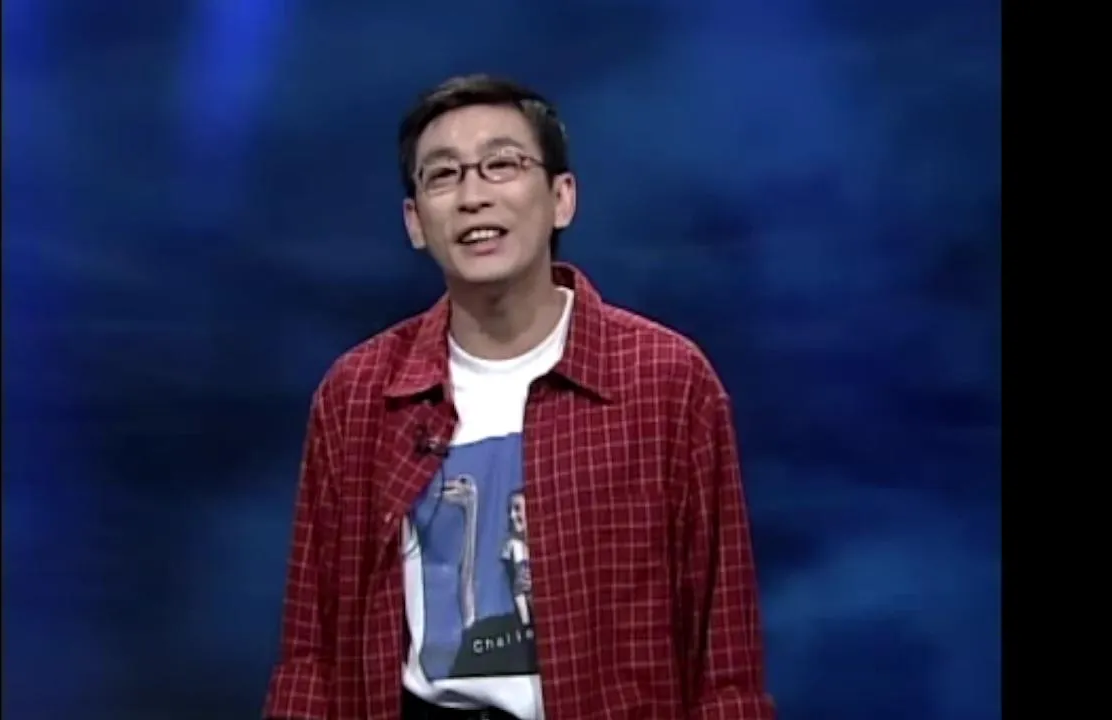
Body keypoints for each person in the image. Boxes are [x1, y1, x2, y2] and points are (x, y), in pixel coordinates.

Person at [262, 74, 776, 720]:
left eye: (501, 165)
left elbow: (724, 653)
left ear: (562, 198)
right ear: (415, 221)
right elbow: (311, 650)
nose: (473, 196)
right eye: (443, 176)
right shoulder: (359, 395)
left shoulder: (665, 380)